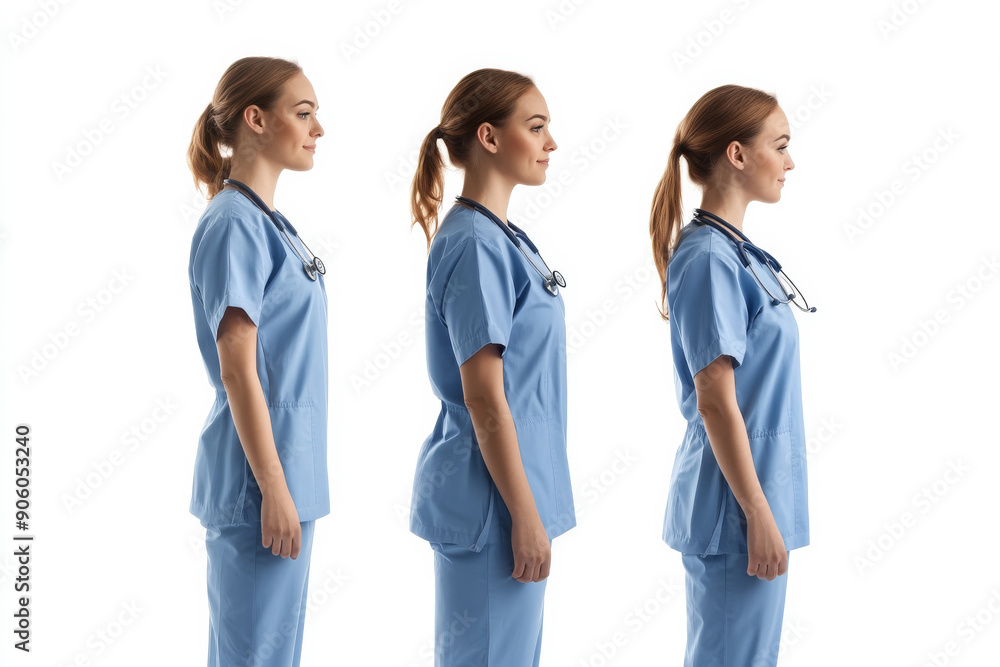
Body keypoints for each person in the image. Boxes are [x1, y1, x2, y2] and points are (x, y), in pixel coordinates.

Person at [408, 68, 575, 666]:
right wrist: (524, 515)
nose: (551, 142)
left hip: (512, 493)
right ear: (489, 137)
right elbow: (483, 396)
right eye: (536, 127)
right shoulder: (476, 245)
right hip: (493, 507)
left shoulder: (502, 240)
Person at [648, 84, 813, 666]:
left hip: (754, 499)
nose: (791, 162)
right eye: (781, 145)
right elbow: (715, 401)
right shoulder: (711, 259)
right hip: (736, 510)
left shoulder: (735, 253)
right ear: (737, 155)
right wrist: (758, 512)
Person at [185, 56, 328, 667]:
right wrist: (272, 485)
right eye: (303, 113)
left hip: (288, 476)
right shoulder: (233, 224)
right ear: (256, 120)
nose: (318, 128)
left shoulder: (269, 224)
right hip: (258, 485)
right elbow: (237, 366)